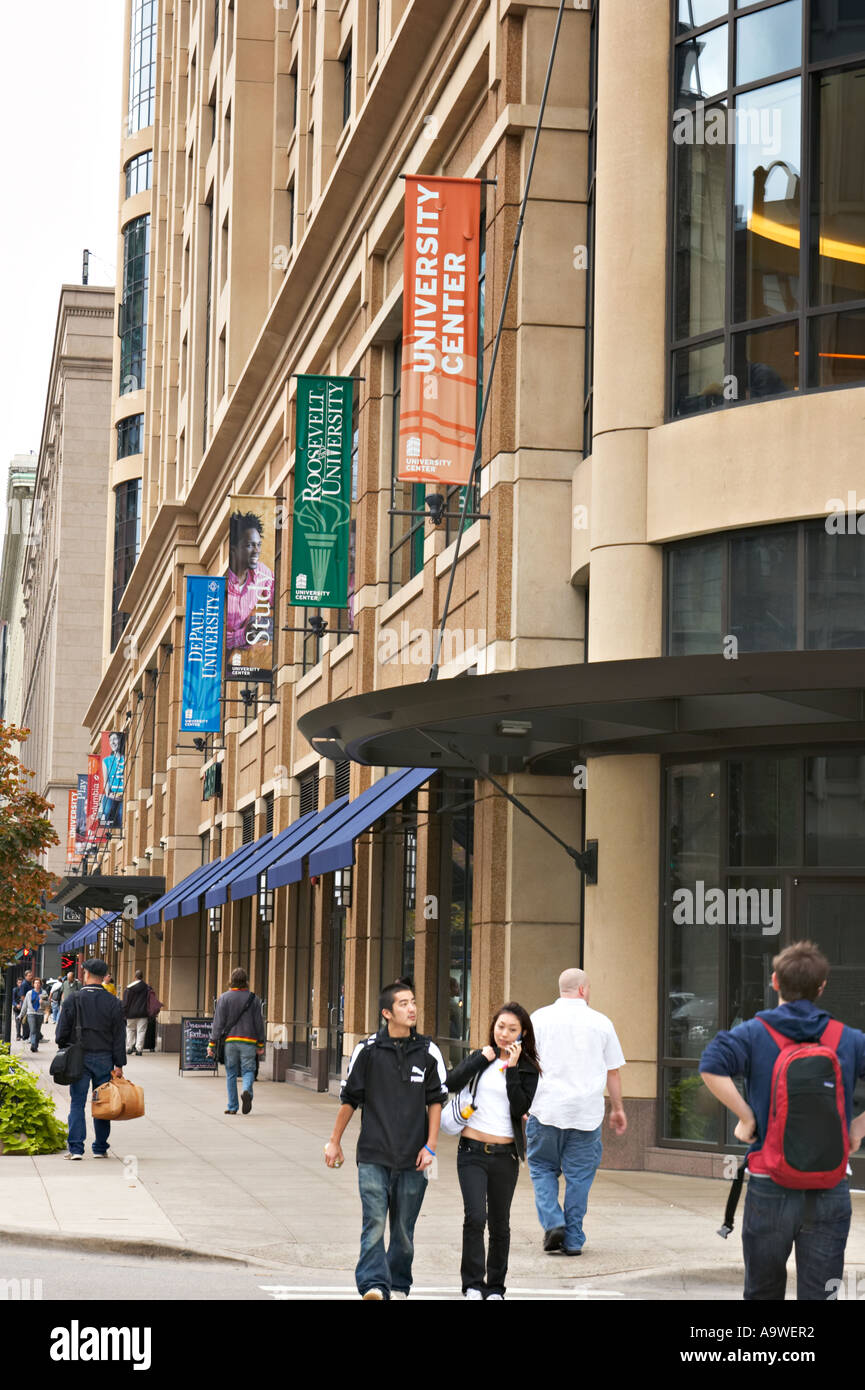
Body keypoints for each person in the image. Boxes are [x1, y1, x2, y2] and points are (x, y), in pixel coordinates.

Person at [700, 940, 865, 1301]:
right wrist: (857, 1129)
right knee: (822, 1294)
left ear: (774, 981)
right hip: (830, 1185)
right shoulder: (847, 1038)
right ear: (821, 987)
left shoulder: (753, 1034)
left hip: (769, 1182)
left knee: (762, 1292)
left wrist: (747, 1119)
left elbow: (710, 1066)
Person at [324, 980, 447, 1300]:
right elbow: (350, 1099)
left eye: (413, 1002)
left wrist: (431, 1145)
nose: (412, 1008)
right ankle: (373, 1285)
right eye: (404, 1003)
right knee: (375, 1222)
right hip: (373, 1154)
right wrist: (334, 1141)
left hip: (414, 1156)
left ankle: (398, 1284)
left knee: (404, 1232)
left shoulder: (428, 1051)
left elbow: (435, 1101)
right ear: (386, 1013)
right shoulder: (367, 1051)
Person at [527, 967, 627, 1256]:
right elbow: (613, 1072)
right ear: (583, 990)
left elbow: (526, 1065)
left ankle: (553, 1222)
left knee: (542, 1169)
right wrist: (617, 1108)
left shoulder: (539, 1019)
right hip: (585, 1115)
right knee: (579, 1178)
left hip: (545, 1110)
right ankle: (572, 1239)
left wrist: (524, 1103)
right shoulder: (601, 1022)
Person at [445, 1002, 541, 1300]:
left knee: (500, 1224)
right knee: (475, 1217)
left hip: (505, 1155)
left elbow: (520, 1106)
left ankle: (496, 1287)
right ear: (492, 1027)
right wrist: (479, 1060)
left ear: (523, 1033)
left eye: (512, 1029)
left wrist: (511, 1069)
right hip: (471, 1151)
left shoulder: (527, 1069)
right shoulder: (481, 1057)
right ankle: (473, 1284)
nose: (505, 1034)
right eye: (501, 1027)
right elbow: (450, 1083)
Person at [55, 958, 126, 1160]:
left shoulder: (73, 1000)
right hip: (105, 1057)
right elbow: (120, 1036)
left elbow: (61, 1033)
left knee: (77, 1102)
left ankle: (76, 1148)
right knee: (102, 1102)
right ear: (105, 976)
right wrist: (119, 1064)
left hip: (79, 1056)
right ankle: (100, 1146)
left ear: (85, 974)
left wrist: (65, 1048)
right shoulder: (114, 1003)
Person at [207, 968, 265, 1114]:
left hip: (230, 1041)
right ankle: (246, 1091)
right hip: (249, 1041)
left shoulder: (224, 998)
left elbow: (218, 1023)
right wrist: (260, 1043)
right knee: (248, 1070)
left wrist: (212, 1044)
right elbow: (259, 1023)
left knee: (231, 1073)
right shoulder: (254, 999)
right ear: (246, 981)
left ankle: (233, 1107)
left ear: (231, 980)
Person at [226, 510, 274, 658]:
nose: (256, 551)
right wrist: (244, 635)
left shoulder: (264, 576)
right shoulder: (221, 584)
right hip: (225, 667)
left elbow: (275, 615)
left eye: (258, 545)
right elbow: (214, 637)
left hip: (255, 661)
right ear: (234, 549)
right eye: (249, 546)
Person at [99, 731, 125, 830]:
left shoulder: (126, 758)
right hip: (112, 794)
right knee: (107, 811)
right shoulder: (106, 761)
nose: (112, 742)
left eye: (115, 739)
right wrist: (109, 794)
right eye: (110, 740)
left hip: (124, 794)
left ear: (120, 740)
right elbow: (106, 782)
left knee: (121, 815)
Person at [122, 969, 150, 1055]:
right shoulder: (147, 988)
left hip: (131, 1014)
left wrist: (124, 1012)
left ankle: (129, 1047)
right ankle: (139, 1049)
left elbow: (125, 1002)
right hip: (143, 1013)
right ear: (142, 977)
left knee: (130, 1030)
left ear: (134, 977)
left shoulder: (129, 988)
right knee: (141, 1031)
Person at [25, 977, 47, 1052]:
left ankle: (35, 1045)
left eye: (38, 983)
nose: (37, 984)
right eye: (35, 983)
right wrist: (21, 1015)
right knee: (33, 1029)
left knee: (37, 1030)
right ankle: (33, 1045)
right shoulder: (29, 993)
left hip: (40, 1014)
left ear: (41, 984)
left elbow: (48, 1004)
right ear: (33, 984)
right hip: (31, 1013)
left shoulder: (44, 993)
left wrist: (42, 1002)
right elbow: (25, 1004)